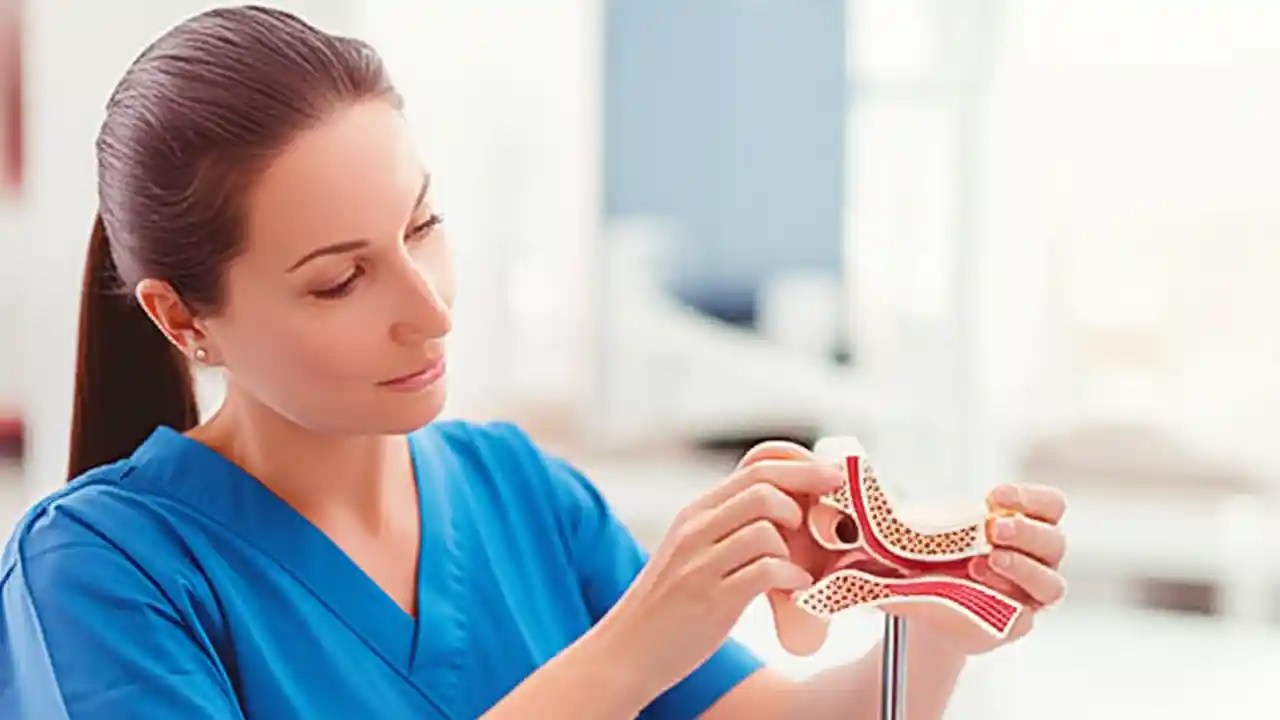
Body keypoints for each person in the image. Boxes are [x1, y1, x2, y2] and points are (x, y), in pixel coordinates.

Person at [0, 6, 1069, 719]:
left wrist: (937, 622)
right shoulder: (98, 570)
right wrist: (637, 643)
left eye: (422, 228)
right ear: (184, 319)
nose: (428, 312)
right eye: (340, 280)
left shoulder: (517, 493)